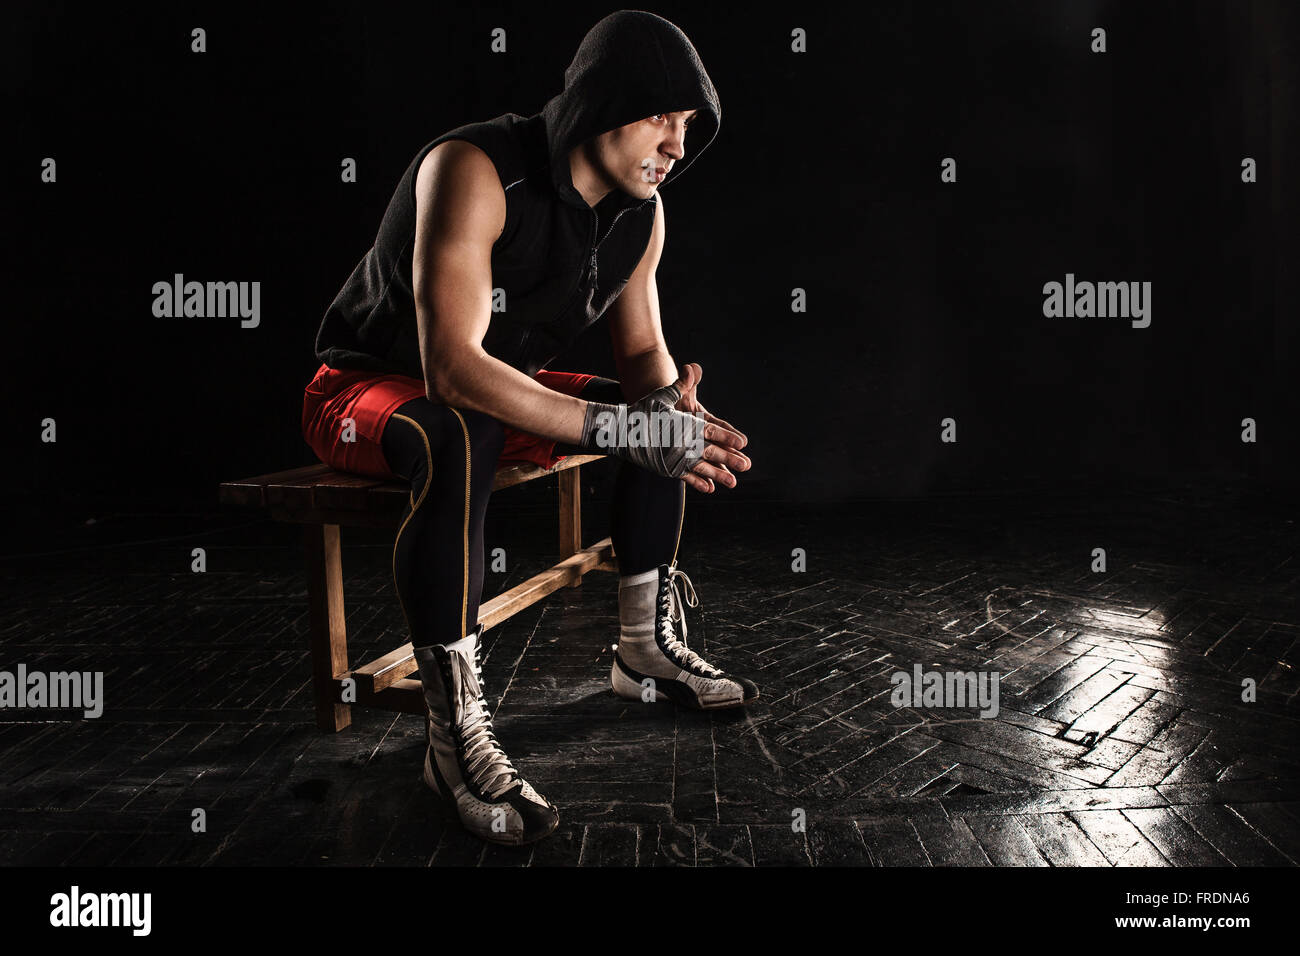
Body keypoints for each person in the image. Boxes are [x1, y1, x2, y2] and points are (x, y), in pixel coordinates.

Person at [300, 10, 756, 846]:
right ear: (609, 102)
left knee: (653, 412)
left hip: (491, 394)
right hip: (363, 393)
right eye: (665, 117)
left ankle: (640, 651)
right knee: (459, 429)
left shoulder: (640, 215)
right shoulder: (471, 166)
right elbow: (452, 367)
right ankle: (451, 737)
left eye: (687, 128)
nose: (677, 147)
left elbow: (646, 348)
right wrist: (617, 428)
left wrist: (671, 418)